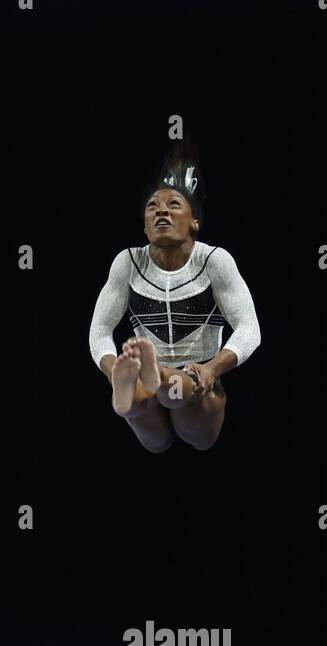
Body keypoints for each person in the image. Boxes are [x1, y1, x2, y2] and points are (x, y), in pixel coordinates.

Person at [89, 139, 260, 453]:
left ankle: (159, 382)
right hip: (149, 381)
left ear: (194, 222)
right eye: (152, 206)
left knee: (188, 420)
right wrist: (114, 368)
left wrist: (212, 368)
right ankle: (141, 389)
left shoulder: (213, 261)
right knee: (153, 430)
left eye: (173, 205)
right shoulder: (128, 263)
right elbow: (99, 330)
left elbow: (250, 328)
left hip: (199, 379)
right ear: (144, 225)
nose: (161, 211)